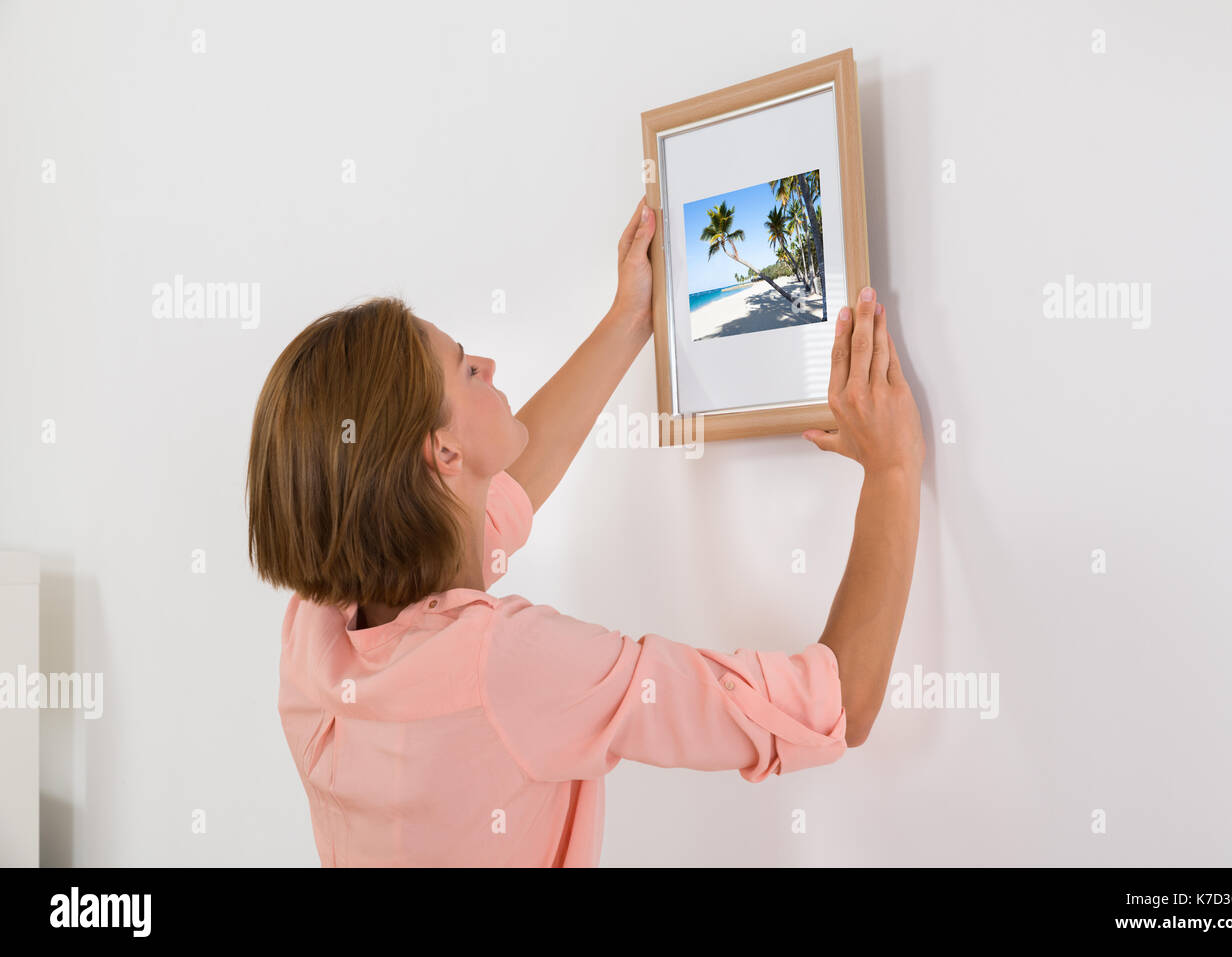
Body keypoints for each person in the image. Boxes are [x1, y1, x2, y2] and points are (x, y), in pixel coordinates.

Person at [245, 199, 924, 866]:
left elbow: (492, 497)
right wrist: (894, 468)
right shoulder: (510, 664)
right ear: (444, 455)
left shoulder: (314, 635)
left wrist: (629, 318)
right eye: (467, 368)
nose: (487, 362)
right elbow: (839, 702)